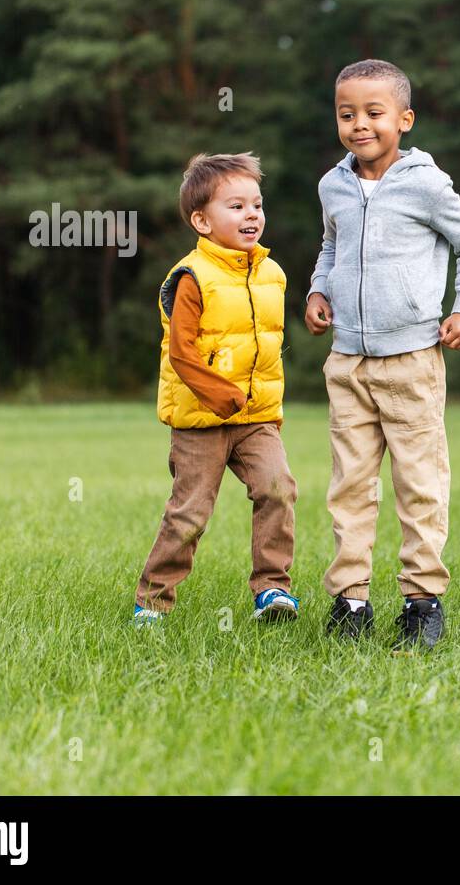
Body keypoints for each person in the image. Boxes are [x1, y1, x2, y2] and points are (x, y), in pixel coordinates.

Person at [305, 59, 460, 649]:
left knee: (419, 484)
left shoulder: (426, 185)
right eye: (346, 114)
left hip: (412, 357)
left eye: (373, 113)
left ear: (404, 119)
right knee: (350, 485)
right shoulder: (332, 185)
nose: (359, 124)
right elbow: (331, 248)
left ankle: (421, 602)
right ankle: (351, 602)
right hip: (347, 361)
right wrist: (316, 289)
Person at [134, 152, 299, 624]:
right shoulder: (191, 277)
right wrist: (219, 393)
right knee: (189, 514)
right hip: (201, 422)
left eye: (257, 205)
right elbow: (181, 353)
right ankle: (153, 601)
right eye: (237, 206)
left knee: (279, 490)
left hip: (256, 419)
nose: (252, 215)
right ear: (202, 221)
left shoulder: (272, 274)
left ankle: (272, 590)